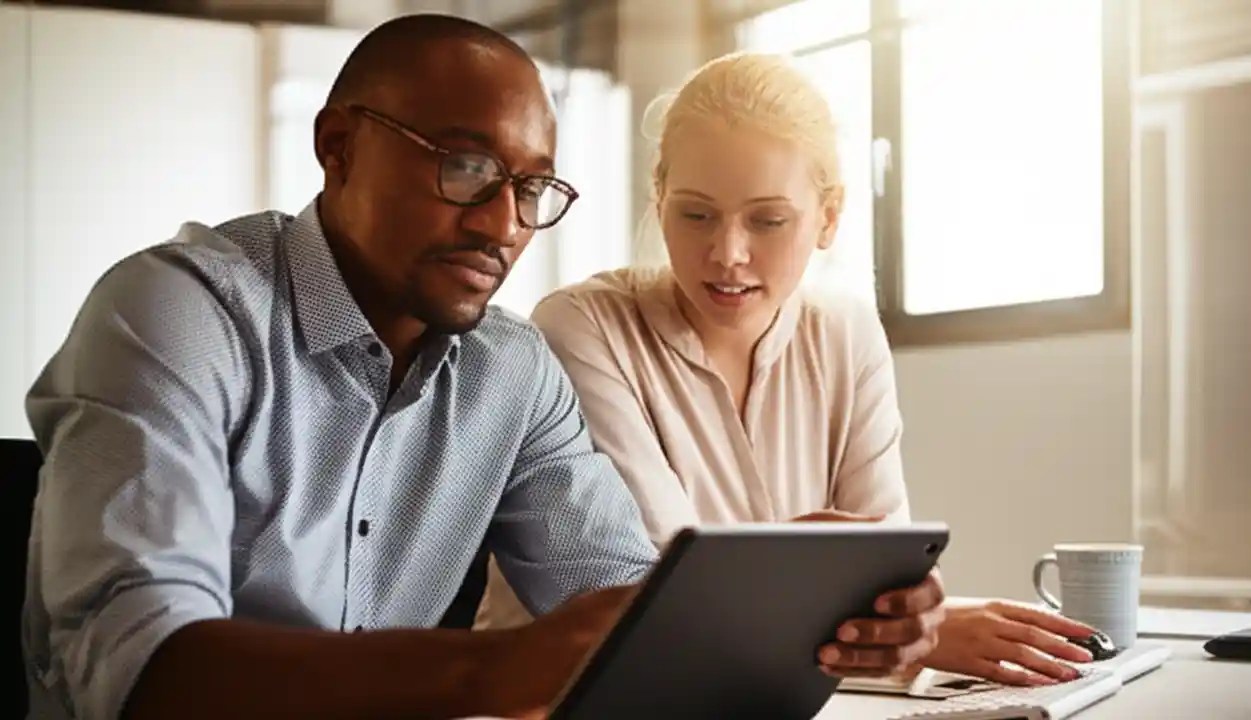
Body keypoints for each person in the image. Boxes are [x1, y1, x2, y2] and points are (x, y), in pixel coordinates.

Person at [23, 17, 944, 720]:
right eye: (463, 167)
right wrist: (494, 667)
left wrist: (805, 611)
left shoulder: (510, 371)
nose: (503, 224)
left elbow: (619, 615)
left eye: (530, 187)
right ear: (337, 146)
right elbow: (136, 668)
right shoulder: (176, 313)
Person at [477, 52, 1100, 687]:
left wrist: (916, 625)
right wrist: (924, 630)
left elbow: (887, 580)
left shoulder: (846, 333)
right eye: (695, 213)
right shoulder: (582, 328)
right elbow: (661, 602)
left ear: (829, 216)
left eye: (768, 219)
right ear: (658, 196)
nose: (727, 254)